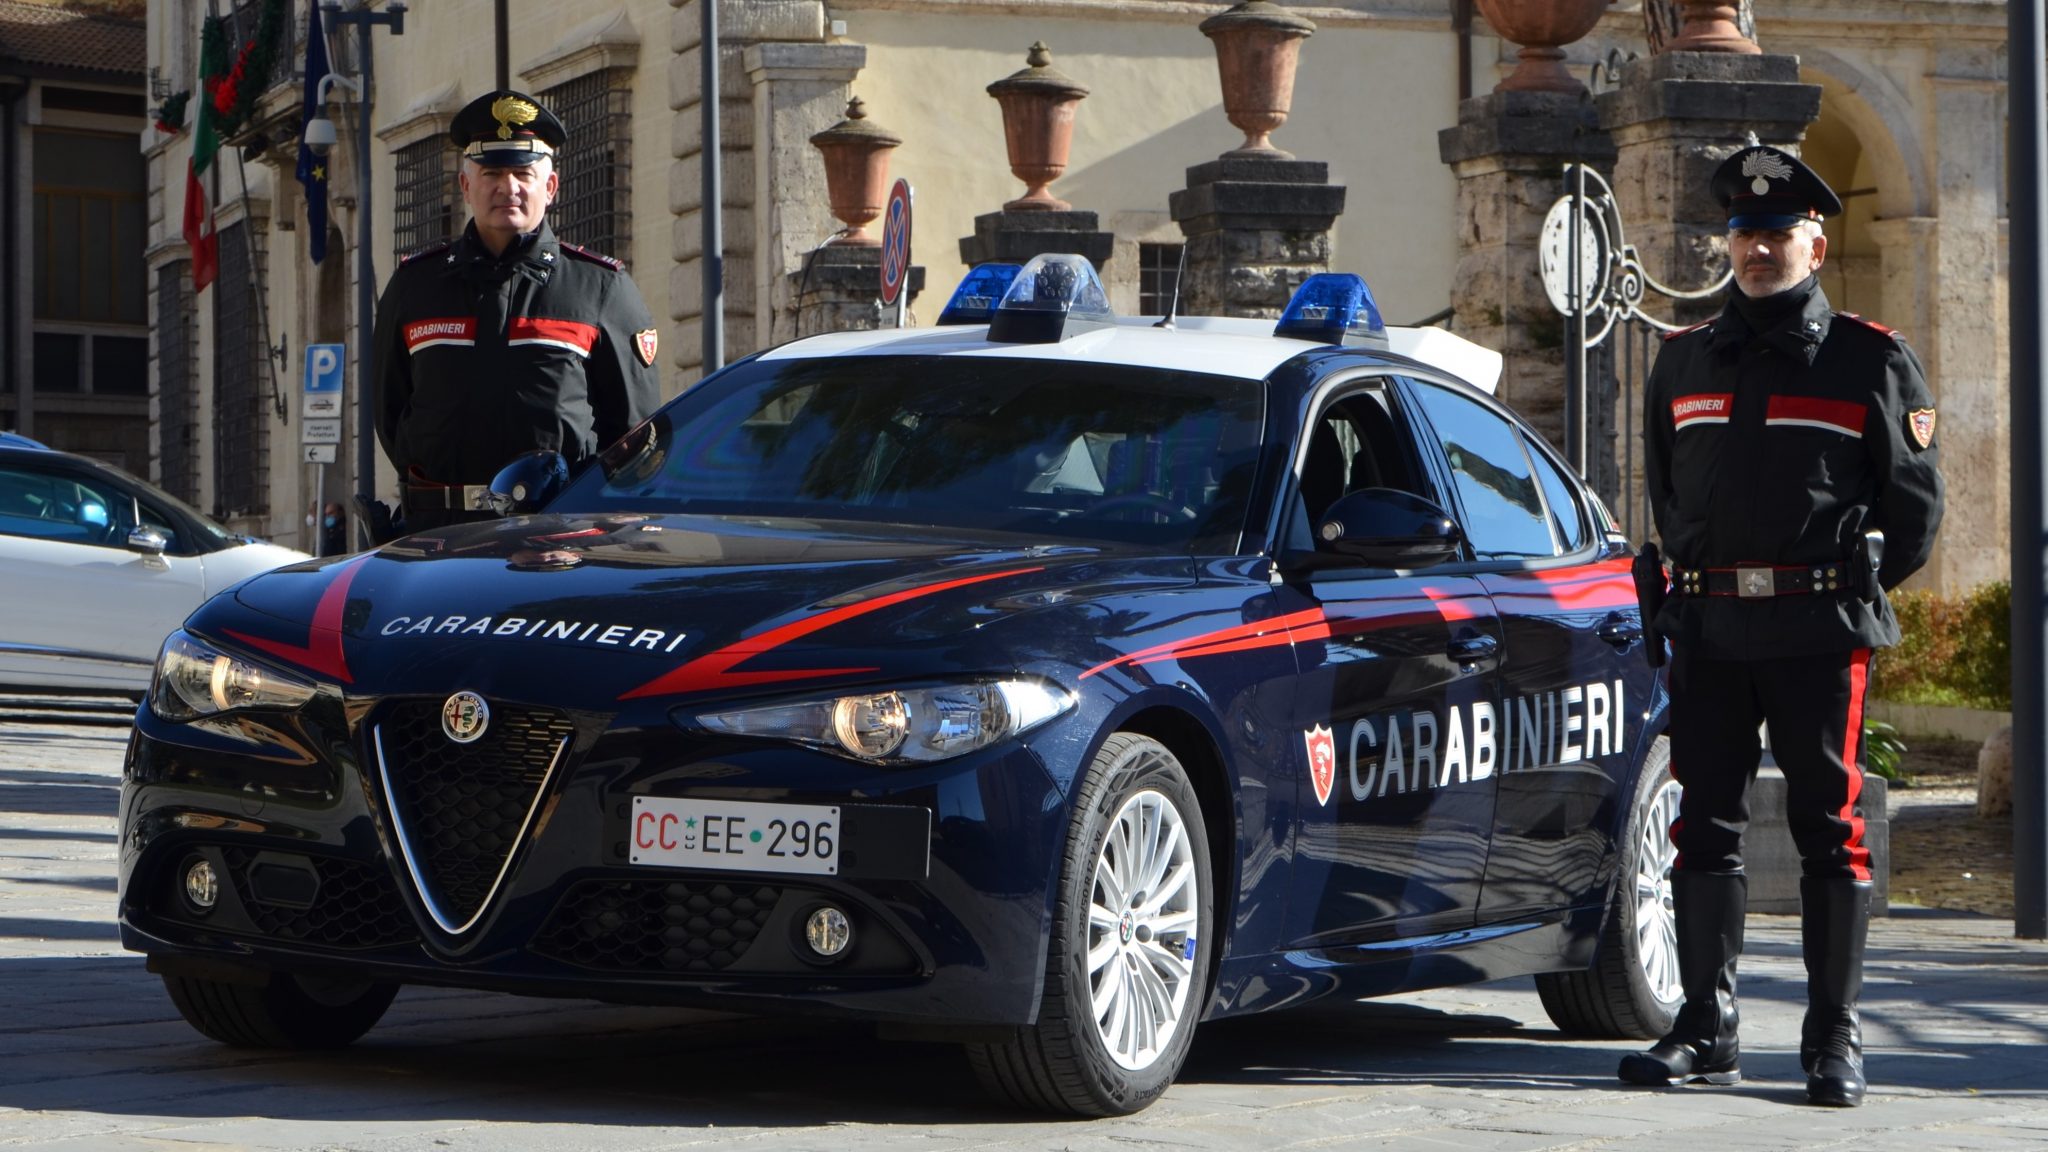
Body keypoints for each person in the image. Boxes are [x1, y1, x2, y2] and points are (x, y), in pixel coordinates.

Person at [1620, 145, 1944, 1107]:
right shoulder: (1680, 362)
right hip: (1711, 632)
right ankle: (1706, 1029)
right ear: (1729, 242)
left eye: (1778, 232)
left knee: (1828, 830)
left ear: (1817, 240)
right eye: (1744, 232)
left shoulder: (1869, 361)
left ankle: (1833, 1041)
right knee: (1702, 830)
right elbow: (1668, 488)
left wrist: (1845, 591)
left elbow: (1916, 513)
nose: (1758, 248)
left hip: (1815, 633)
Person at [370, 89, 662, 533]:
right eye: (491, 173)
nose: (508, 188)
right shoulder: (416, 286)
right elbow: (391, 413)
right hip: (434, 535)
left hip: (556, 539)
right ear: (466, 186)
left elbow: (632, 437)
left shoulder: (600, 287)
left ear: (550, 187)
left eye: (523, 173)